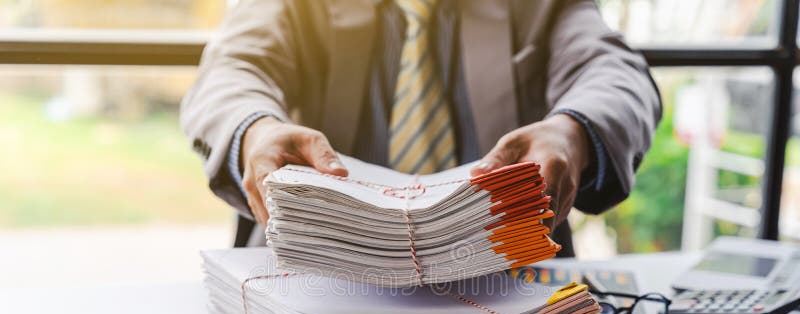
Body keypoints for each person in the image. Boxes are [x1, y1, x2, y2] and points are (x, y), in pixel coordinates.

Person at [181, 0, 661, 255]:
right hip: (317, 266)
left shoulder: (538, 5)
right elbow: (231, 71)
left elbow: (615, 72)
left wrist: (572, 130)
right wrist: (256, 129)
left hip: (506, 269)